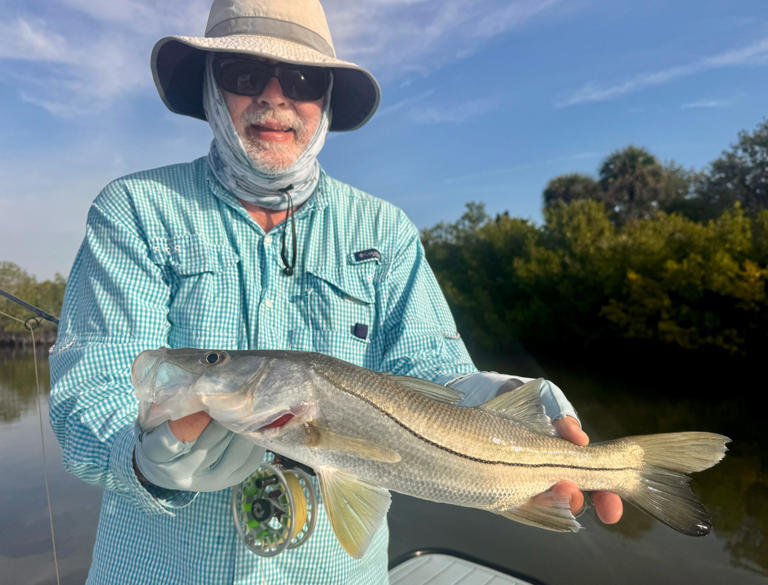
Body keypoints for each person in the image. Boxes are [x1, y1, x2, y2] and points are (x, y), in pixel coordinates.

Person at [49, 1, 622, 583]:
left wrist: (509, 397)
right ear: (209, 89)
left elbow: (431, 371)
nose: (274, 97)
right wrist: (146, 458)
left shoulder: (386, 230)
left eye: (301, 79)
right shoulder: (134, 210)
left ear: (325, 98)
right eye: (244, 74)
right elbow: (91, 392)